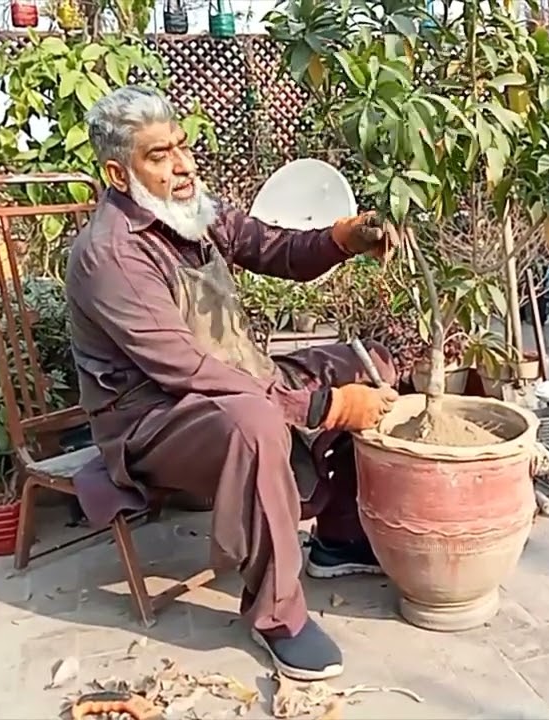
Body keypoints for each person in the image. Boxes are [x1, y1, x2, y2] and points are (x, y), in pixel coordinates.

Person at [65, 85, 400, 682]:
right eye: (159, 155)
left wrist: (341, 238)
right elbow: (186, 370)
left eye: (182, 146)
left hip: (237, 381)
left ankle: (340, 539)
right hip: (155, 420)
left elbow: (268, 247)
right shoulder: (110, 255)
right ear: (119, 173)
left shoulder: (191, 214)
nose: (184, 164)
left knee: (367, 360)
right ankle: (278, 615)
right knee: (258, 421)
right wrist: (322, 406)